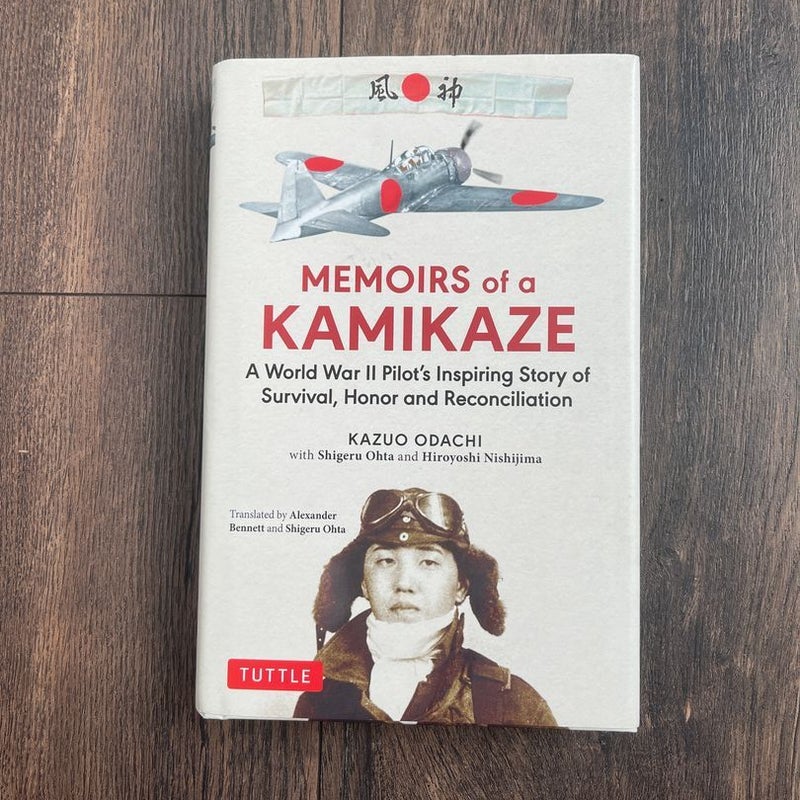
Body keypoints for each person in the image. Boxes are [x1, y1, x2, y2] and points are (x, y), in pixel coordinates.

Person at [294, 488, 556, 726]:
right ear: (363, 584)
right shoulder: (319, 700)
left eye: (429, 563)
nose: (404, 583)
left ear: (461, 587)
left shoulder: (512, 705)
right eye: (386, 561)